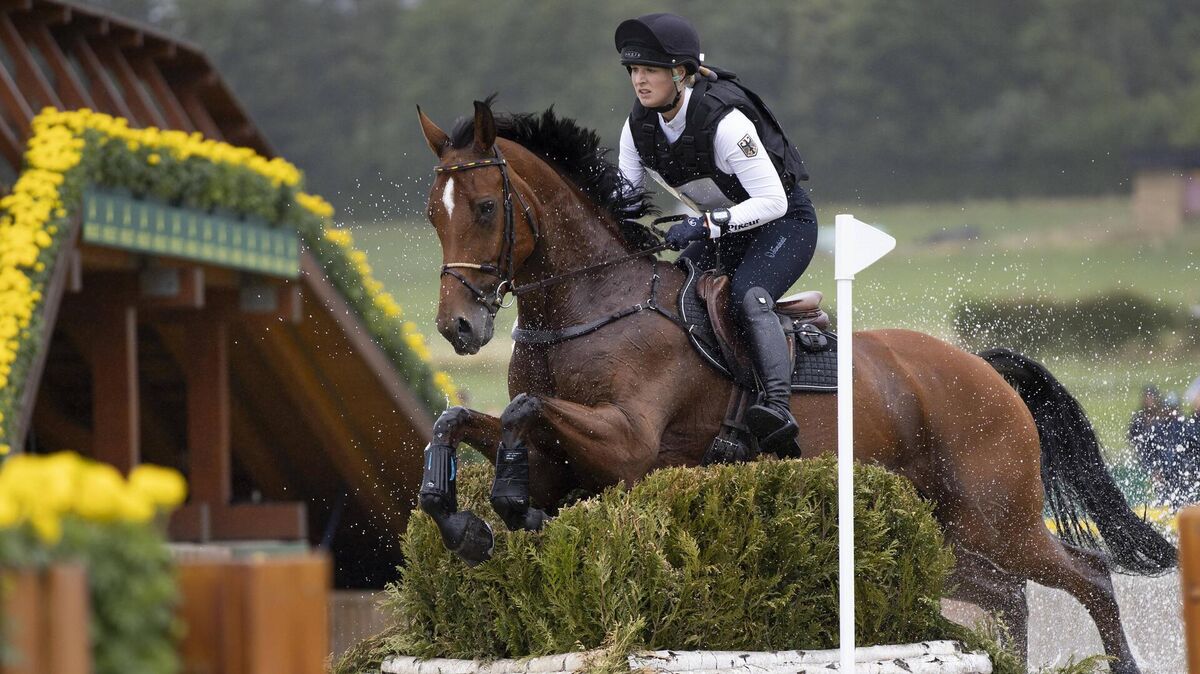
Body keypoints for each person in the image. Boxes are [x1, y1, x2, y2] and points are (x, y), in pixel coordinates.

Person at [614, 13, 818, 453]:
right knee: (672, 295)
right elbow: (624, 204)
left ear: (680, 73)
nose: (639, 81)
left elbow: (774, 202)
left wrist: (706, 224)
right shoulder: (636, 128)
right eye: (634, 70)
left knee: (748, 296)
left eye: (650, 70)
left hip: (784, 225)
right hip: (724, 232)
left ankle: (777, 407)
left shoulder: (726, 124)